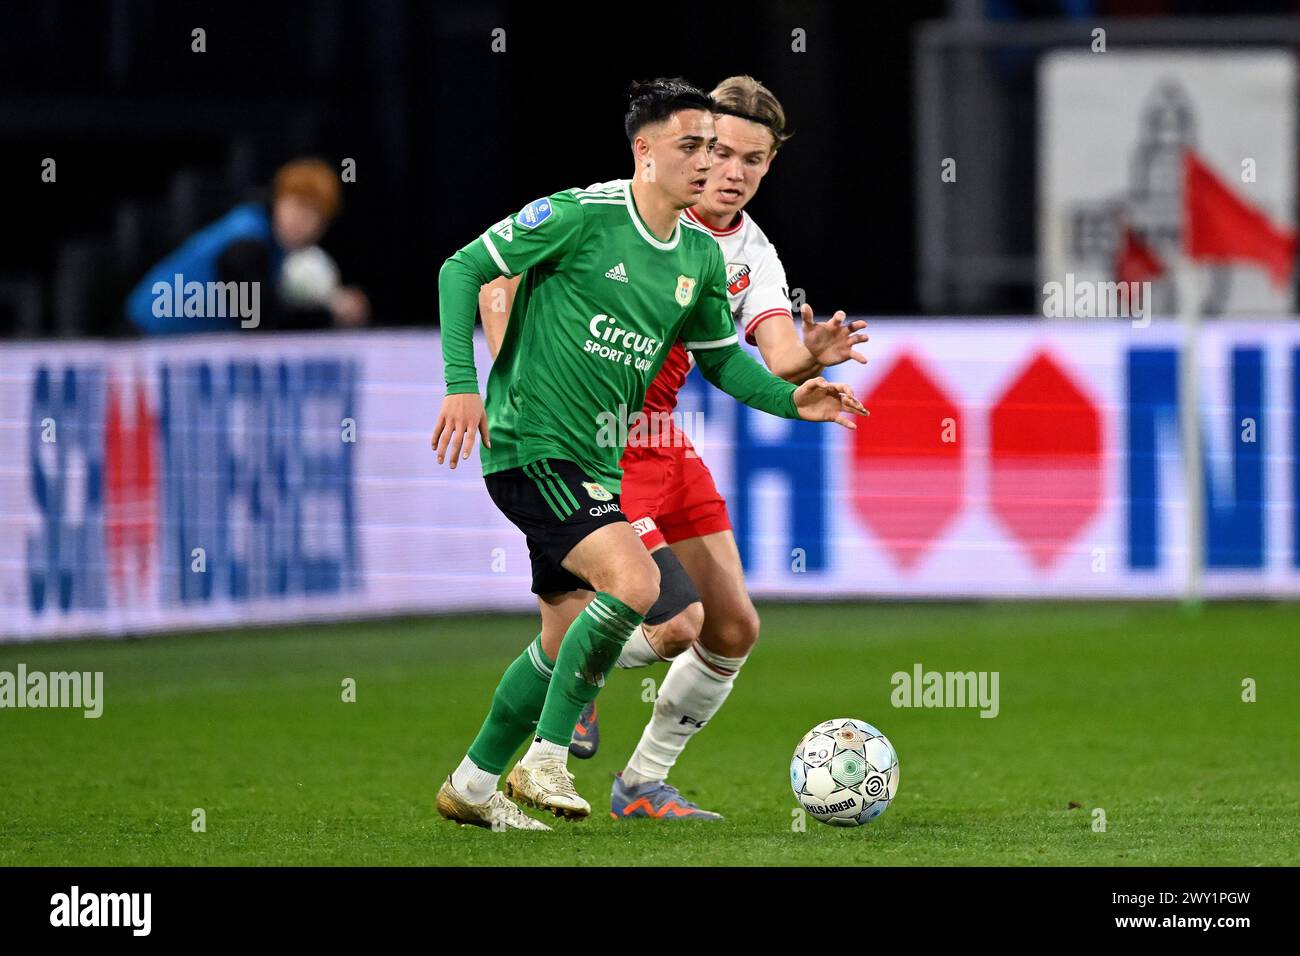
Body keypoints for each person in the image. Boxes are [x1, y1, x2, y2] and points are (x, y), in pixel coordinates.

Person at [432, 77, 866, 831]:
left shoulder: (714, 253)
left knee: (700, 628)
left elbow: (733, 361)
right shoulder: (586, 213)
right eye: (705, 148)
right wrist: (478, 384)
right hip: (547, 445)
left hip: (637, 446)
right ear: (652, 151)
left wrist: (797, 391)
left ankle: (481, 784)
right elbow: (478, 271)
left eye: (745, 158)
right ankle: (550, 750)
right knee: (649, 603)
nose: (721, 168)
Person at [124, 157, 369, 333]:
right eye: (297, 207)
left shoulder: (267, 242)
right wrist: (329, 312)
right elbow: (259, 319)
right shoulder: (246, 242)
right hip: (142, 336)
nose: (302, 222)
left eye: (314, 216)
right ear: (278, 200)